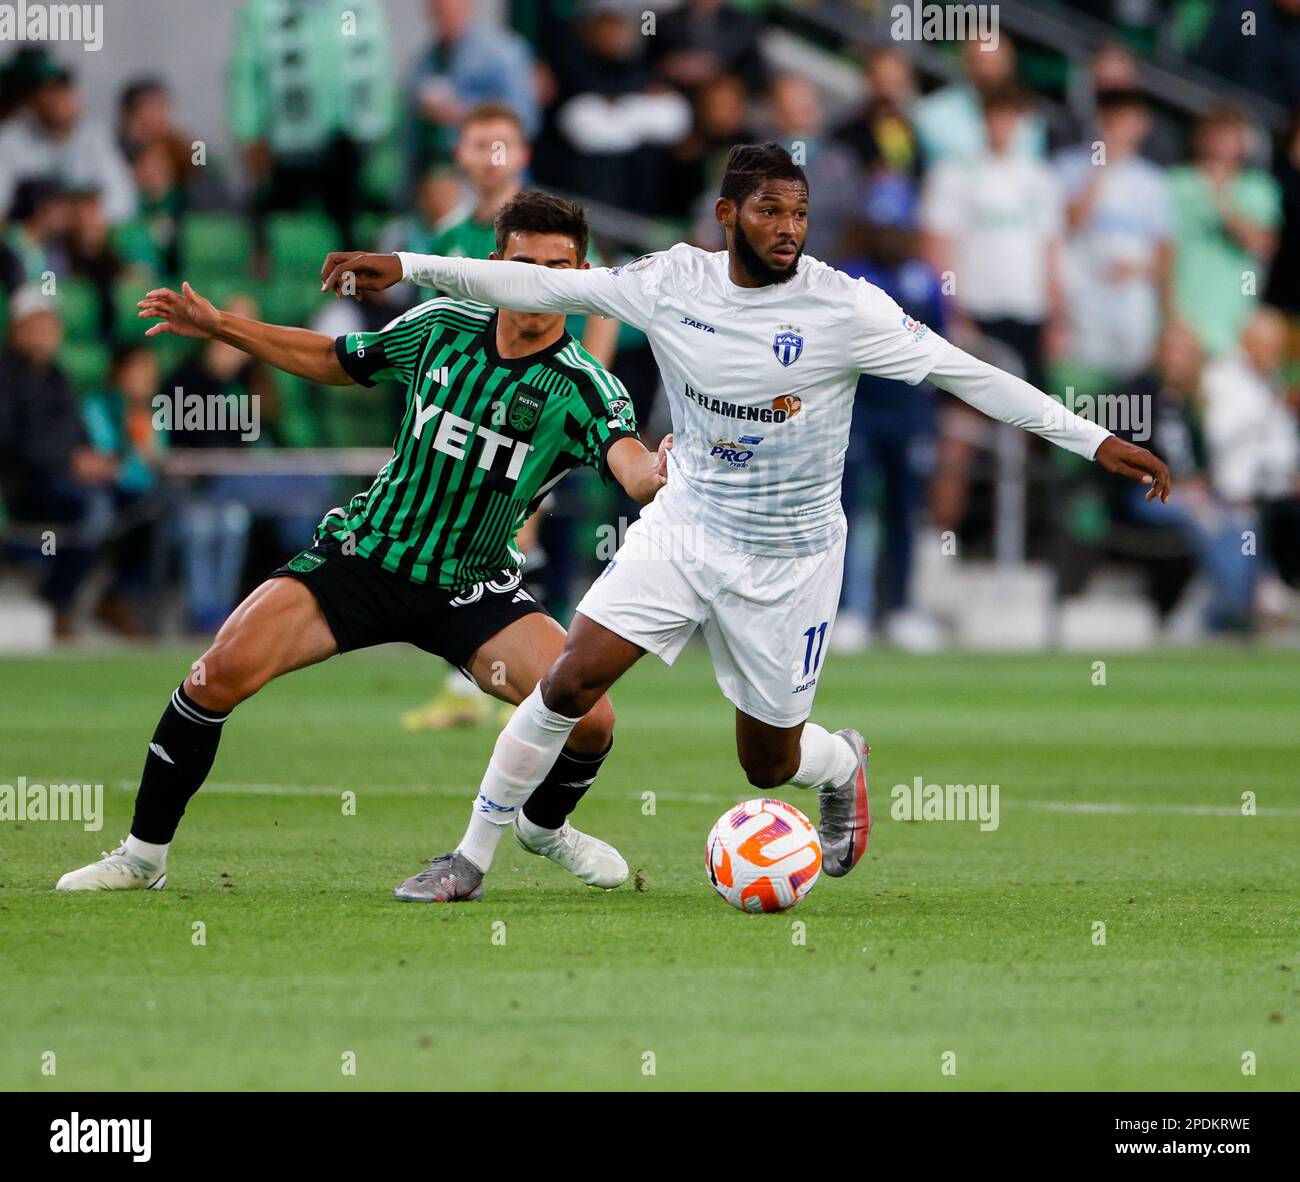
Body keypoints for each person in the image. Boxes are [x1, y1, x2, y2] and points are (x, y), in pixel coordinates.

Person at [319, 142, 1171, 903]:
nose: (788, 226)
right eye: (770, 210)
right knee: (570, 680)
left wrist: (1091, 439)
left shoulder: (846, 310)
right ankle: (470, 858)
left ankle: (840, 764)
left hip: (790, 557)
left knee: (767, 762)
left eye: (799, 211)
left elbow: (966, 373)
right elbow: (538, 282)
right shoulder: (670, 283)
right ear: (727, 215)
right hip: (686, 524)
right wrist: (406, 263)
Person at [56, 192, 669, 894]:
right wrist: (222, 325)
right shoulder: (441, 324)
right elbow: (336, 359)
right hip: (366, 556)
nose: (536, 283)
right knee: (213, 677)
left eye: (556, 269)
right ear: (496, 265)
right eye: (522, 265)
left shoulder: (586, 388)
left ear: (582, 274)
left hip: (469, 586)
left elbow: (630, 465)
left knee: (591, 718)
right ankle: (143, 856)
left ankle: (542, 827)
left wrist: (657, 473)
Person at [0, 286, 118, 636]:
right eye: (36, 324)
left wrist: (96, 461)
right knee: (94, 508)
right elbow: (10, 444)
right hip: (25, 485)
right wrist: (70, 461)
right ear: (17, 328)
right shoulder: (5, 378)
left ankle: (117, 597)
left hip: (65, 478)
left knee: (145, 500)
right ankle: (56, 599)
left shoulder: (58, 378)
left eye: (50, 325)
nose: (45, 333)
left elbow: (77, 432)